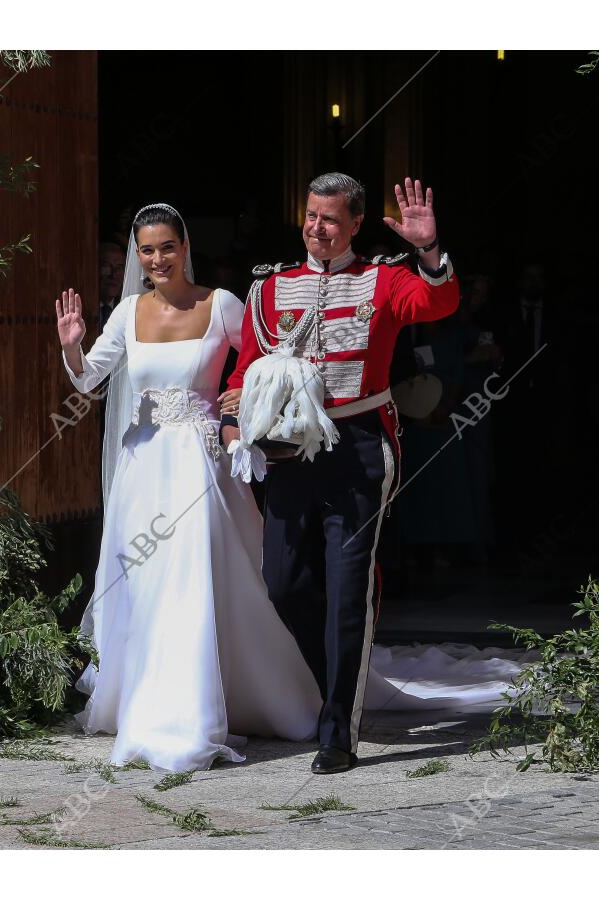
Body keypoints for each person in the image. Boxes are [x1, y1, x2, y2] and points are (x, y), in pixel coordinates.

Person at [56, 203, 321, 773]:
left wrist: (241, 397)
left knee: (197, 579)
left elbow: (263, 361)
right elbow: (87, 379)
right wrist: (73, 344)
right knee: (148, 580)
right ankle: (147, 699)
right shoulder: (128, 313)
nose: (156, 259)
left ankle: (198, 708)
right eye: (147, 250)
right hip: (143, 466)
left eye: (166, 248)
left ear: (185, 247)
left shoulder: (220, 303)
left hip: (201, 464)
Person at [221, 173, 461, 774]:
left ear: (355, 224)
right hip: (288, 453)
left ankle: (337, 733)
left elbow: (440, 301)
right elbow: (242, 374)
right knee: (283, 581)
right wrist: (231, 430)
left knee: (348, 591)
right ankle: (337, 682)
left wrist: (428, 249)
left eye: (330, 219)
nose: (316, 227)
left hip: (356, 448)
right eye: (310, 215)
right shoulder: (270, 289)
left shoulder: (384, 280)